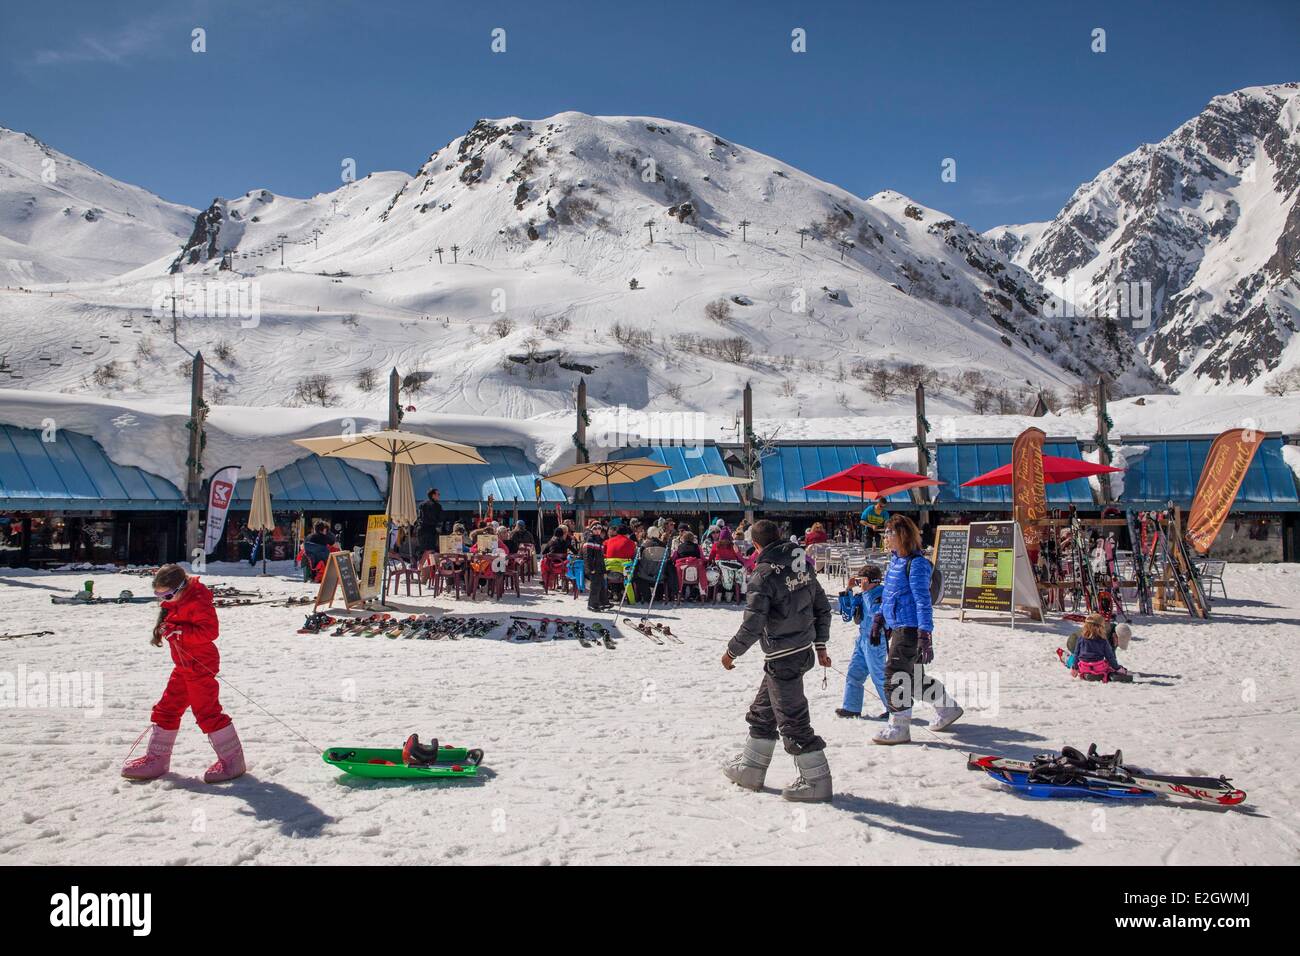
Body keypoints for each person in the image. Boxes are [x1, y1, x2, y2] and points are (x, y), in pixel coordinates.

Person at [720, 519, 834, 803]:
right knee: (762, 711)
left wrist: (731, 652)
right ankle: (751, 768)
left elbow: (753, 624)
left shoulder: (763, 574)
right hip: (799, 650)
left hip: (783, 656)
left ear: (756, 546)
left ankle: (817, 781)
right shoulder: (803, 565)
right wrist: (820, 645)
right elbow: (822, 607)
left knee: (793, 720)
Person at [121, 565, 245, 783]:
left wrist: (180, 632)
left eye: (167, 595)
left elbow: (210, 631)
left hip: (200, 664)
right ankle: (157, 760)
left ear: (181, 587)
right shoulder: (176, 601)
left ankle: (233, 761)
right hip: (183, 665)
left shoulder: (197, 600)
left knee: (207, 712)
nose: (164, 600)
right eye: (158, 596)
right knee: (166, 709)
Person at [871, 515, 962, 744]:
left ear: (902, 535)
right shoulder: (895, 561)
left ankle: (899, 726)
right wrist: (879, 618)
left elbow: (922, 601)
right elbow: (890, 594)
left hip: (910, 628)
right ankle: (947, 708)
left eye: (890, 532)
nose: (886, 537)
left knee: (895, 675)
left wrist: (925, 635)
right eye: (886, 532)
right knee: (913, 679)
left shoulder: (917, 564)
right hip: (898, 625)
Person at [837, 566, 889, 720]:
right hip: (862, 640)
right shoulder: (863, 595)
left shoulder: (882, 594)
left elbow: (876, 613)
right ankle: (851, 707)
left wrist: (865, 592)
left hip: (876, 639)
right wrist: (848, 592)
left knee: (879, 676)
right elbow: (847, 616)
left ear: (871, 580)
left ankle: (894, 708)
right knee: (854, 673)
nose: (859, 583)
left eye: (862, 580)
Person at [584, 526, 611, 611]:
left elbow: (601, 557)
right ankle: (592, 605)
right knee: (595, 586)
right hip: (593, 567)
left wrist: (604, 569)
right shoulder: (590, 540)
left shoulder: (599, 540)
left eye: (599, 528)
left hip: (600, 566)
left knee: (602, 585)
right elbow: (588, 556)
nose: (597, 530)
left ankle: (604, 603)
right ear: (591, 530)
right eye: (595, 528)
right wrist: (590, 568)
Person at [417, 489, 443, 555]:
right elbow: (439, 519)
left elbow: (419, 517)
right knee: (429, 550)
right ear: (433, 495)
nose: (439, 496)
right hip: (430, 530)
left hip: (421, 529)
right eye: (438, 494)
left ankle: (421, 564)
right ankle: (421, 565)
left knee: (423, 550)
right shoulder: (437, 506)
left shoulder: (421, 504)